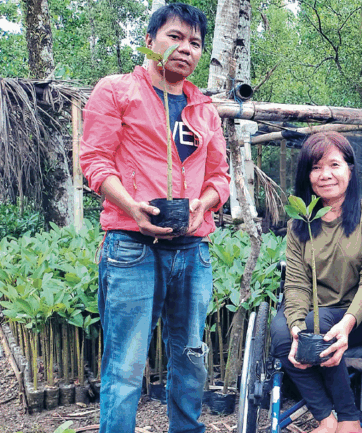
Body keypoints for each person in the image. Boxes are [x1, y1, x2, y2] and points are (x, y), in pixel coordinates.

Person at [79, 4, 230, 433]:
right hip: (131, 246)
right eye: (175, 37)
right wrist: (132, 208)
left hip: (192, 247)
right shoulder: (116, 90)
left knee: (191, 360)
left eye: (195, 43)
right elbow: (94, 160)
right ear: (150, 41)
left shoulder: (203, 108)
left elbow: (219, 175)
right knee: (125, 366)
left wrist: (204, 202)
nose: (185, 49)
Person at [270, 131, 362, 433]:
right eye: (315, 167)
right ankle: (329, 420)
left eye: (334, 165)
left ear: (350, 171)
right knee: (280, 332)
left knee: (321, 324)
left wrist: (347, 323)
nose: (325, 174)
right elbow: (297, 284)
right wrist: (296, 327)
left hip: (360, 318)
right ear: (307, 176)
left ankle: (349, 420)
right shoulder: (298, 223)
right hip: (316, 317)